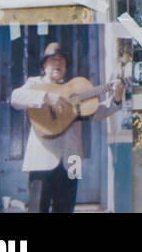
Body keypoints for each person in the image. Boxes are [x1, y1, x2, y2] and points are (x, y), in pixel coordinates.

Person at [8, 41, 125, 213]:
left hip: (73, 159)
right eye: (53, 59)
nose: (58, 63)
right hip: (41, 158)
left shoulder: (73, 91)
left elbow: (96, 113)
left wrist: (116, 98)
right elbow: (15, 98)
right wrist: (47, 97)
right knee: (37, 209)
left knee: (66, 208)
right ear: (44, 65)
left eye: (62, 61)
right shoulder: (35, 84)